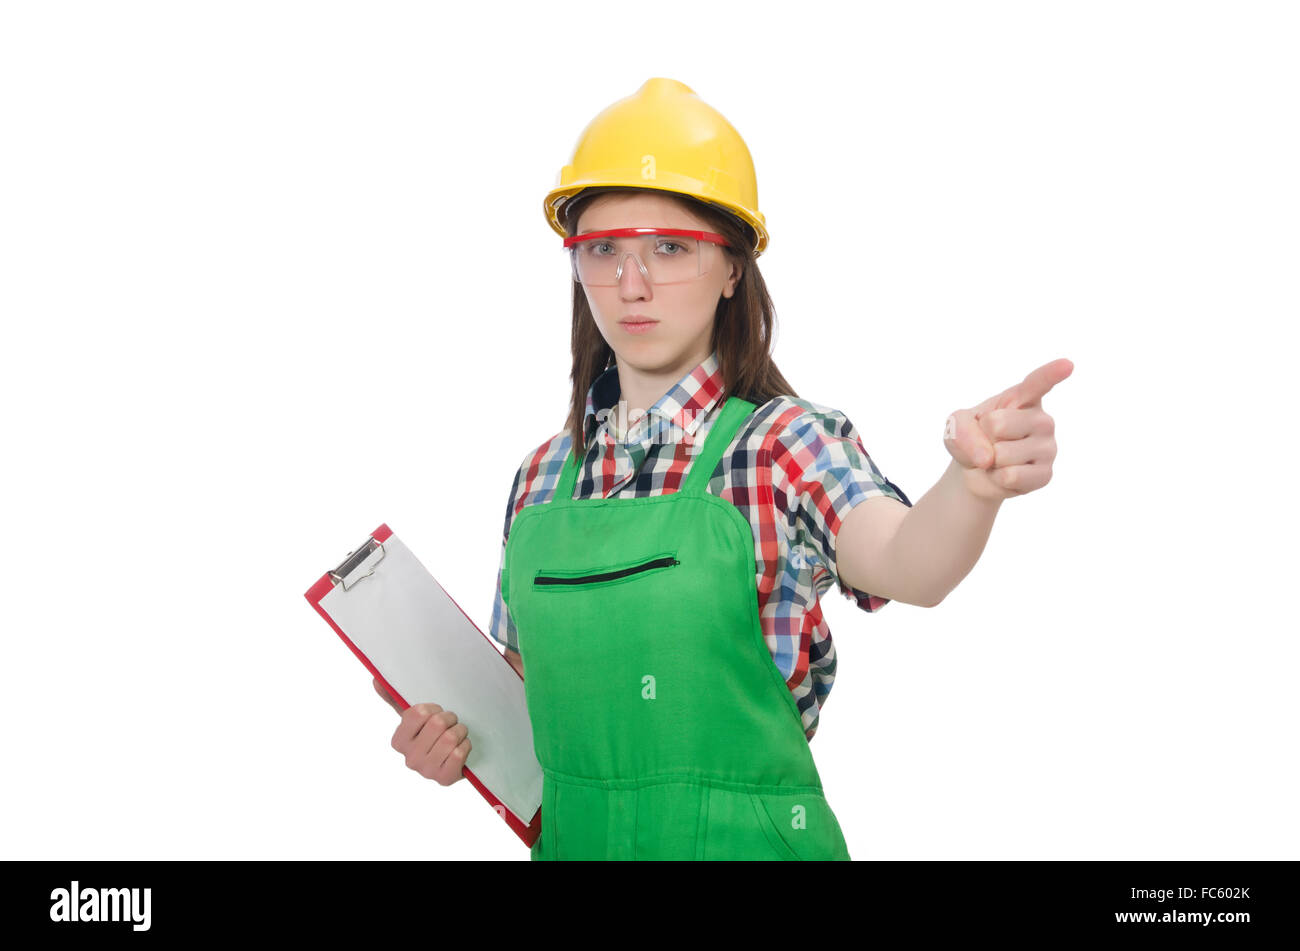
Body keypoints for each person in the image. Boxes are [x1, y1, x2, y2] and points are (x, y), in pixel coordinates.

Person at [374, 78, 1071, 860]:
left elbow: (911, 561)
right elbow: (528, 706)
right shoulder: (542, 480)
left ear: (734, 267)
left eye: (669, 248)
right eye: (603, 249)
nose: (631, 284)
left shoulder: (781, 446)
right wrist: (453, 735)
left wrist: (973, 488)